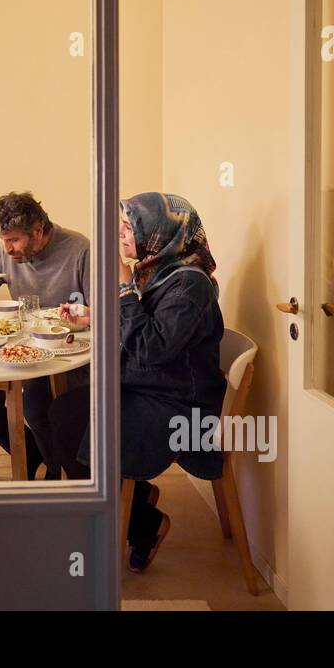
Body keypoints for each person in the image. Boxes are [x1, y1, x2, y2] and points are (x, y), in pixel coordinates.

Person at [49, 192, 226, 573]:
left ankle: (139, 521)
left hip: (181, 404)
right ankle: (138, 504)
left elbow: (150, 348)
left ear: (160, 233)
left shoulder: (190, 284)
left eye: (130, 226)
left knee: (76, 424)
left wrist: (124, 287)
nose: (121, 233)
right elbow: (151, 326)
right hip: (157, 384)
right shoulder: (162, 270)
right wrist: (95, 316)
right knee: (63, 413)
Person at [0, 191, 91, 480]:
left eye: (14, 240)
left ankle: (57, 473)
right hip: (19, 350)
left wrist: (75, 316)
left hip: (66, 352)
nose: (7, 249)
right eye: (3, 241)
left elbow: (98, 310)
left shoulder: (79, 249)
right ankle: (33, 456)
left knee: (36, 405)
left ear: (38, 231)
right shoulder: (7, 252)